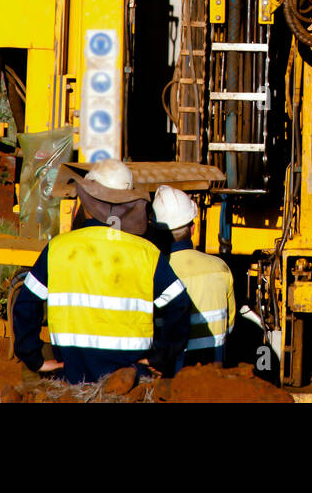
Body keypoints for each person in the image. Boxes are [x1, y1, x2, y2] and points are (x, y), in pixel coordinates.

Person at [12, 160, 190, 384]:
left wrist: (34, 358)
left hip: (72, 379)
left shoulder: (57, 249)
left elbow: (26, 306)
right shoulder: (147, 253)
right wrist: (160, 359)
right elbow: (180, 306)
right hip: (129, 382)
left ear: (88, 200)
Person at [152, 184, 236, 371]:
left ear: (157, 232)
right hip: (212, 378)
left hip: (170, 381)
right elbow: (229, 327)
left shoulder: (154, 272)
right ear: (193, 229)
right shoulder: (220, 268)